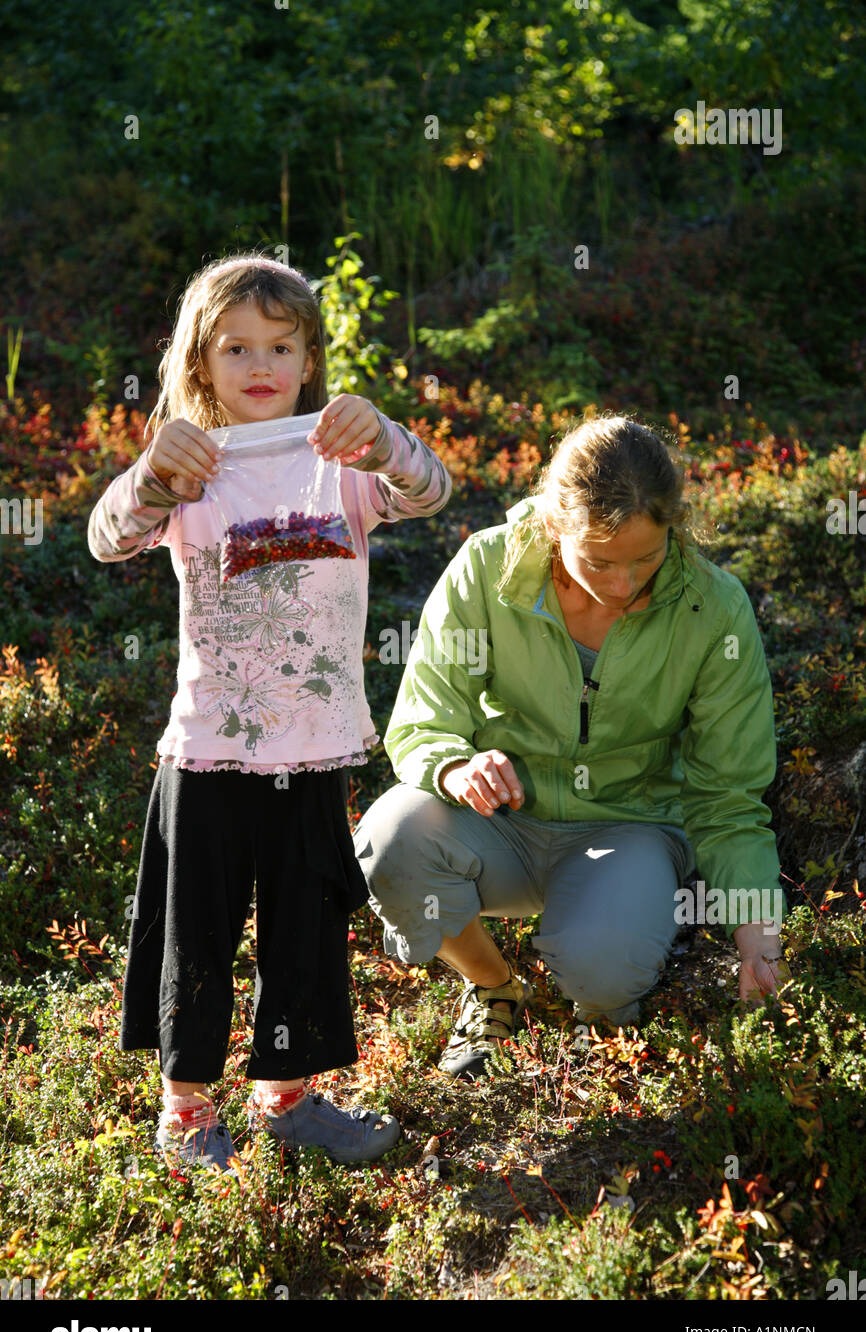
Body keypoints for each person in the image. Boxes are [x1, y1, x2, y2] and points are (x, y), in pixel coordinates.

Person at [87, 253, 452, 1165]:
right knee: (196, 930)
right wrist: (149, 473)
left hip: (314, 749)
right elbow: (106, 540)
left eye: (281, 346)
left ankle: (289, 1100)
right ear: (198, 364)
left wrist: (388, 438)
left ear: (308, 360)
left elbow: (432, 492)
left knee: (306, 930)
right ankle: (185, 1117)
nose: (261, 364)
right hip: (210, 752)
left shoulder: (339, 464)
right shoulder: (191, 471)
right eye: (236, 347)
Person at [352, 414, 787, 1078]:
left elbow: (728, 798)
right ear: (556, 526)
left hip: (631, 827)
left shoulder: (713, 608)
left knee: (606, 971)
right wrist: (458, 765)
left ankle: (601, 989)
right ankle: (493, 986)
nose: (624, 584)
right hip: (500, 824)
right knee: (391, 839)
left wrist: (758, 933)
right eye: (601, 560)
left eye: (647, 558)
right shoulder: (486, 568)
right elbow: (421, 722)